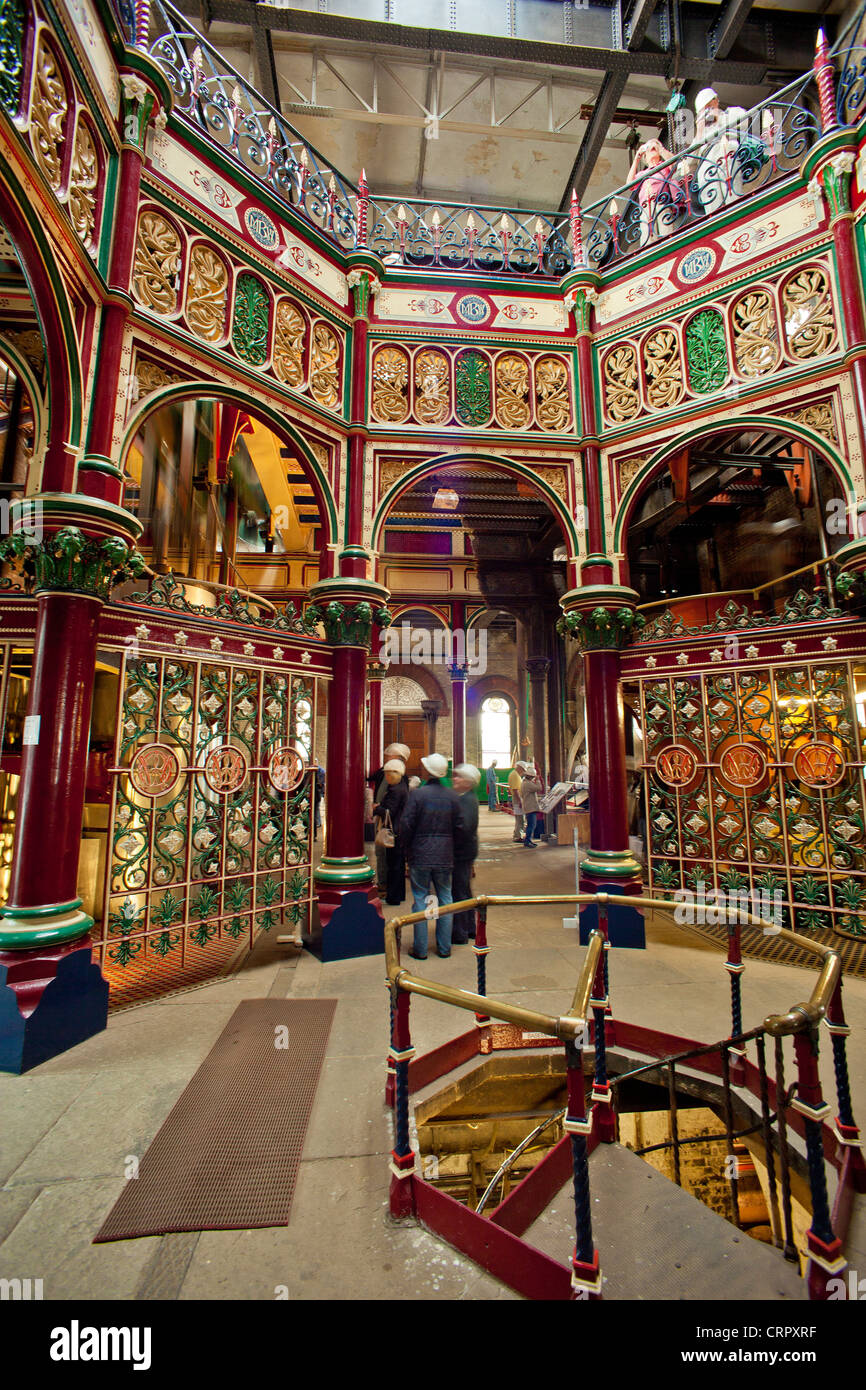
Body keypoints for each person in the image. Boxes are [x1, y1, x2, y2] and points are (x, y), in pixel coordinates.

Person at [399, 752, 463, 959]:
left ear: (428, 771)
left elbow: (406, 824)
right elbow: (460, 827)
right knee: (445, 897)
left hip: (421, 854)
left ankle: (421, 949)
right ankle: (444, 948)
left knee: (421, 898)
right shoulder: (453, 796)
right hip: (444, 856)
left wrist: (406, 848)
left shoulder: (417, 795)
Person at [626, 137, 684, 246]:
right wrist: (636, 158)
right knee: (648, 238)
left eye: (654, 147)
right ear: (645, 157)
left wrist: (660, 149)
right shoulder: (643, 174)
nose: (652, 148)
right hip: (646, 206)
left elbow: (674, 163)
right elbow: (629, 184)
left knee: (666, 233)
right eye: (649, 148)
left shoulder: (663, 165)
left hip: (661, 201)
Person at [370, 742, 410, 888]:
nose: (386, 757)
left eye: (389, 755)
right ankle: (385, 883)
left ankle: (385, 884)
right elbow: (373, 776)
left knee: (387, 855)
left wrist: (378, 808)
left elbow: (393, 809)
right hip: (387, 821)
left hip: (391, 824)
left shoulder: (399, 781)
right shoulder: (388, 774)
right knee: (385, 855)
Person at [450, 763, 480, 944]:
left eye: (459, 776)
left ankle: (460, 933)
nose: (455, 779)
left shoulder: (466, 800)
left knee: (459, 891)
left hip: (461, 852)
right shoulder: (466, 798)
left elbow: (465, 828)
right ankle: (469, 928)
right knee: (465, 889)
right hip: (465, 850)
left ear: (468, 782)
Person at [520, 765, 543, 848]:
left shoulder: (525, 783)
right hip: (530, 808)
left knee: (531, 825)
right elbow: (539, 788)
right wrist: (538, 780)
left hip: (528, 807)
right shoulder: (528, 784)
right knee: (531, 825)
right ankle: (527, 841)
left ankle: (528, 840)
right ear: (531, 776)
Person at [507, 762, 525, 843]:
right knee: (520, 818)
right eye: (523, 770)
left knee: (519, 818)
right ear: (519, 767)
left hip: (516, 798)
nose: (523, 772)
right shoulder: (515, 775)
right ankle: (517, 836)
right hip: (517, 799)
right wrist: (520, 801)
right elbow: (515, 790)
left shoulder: (514, 774)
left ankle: (517, 834)